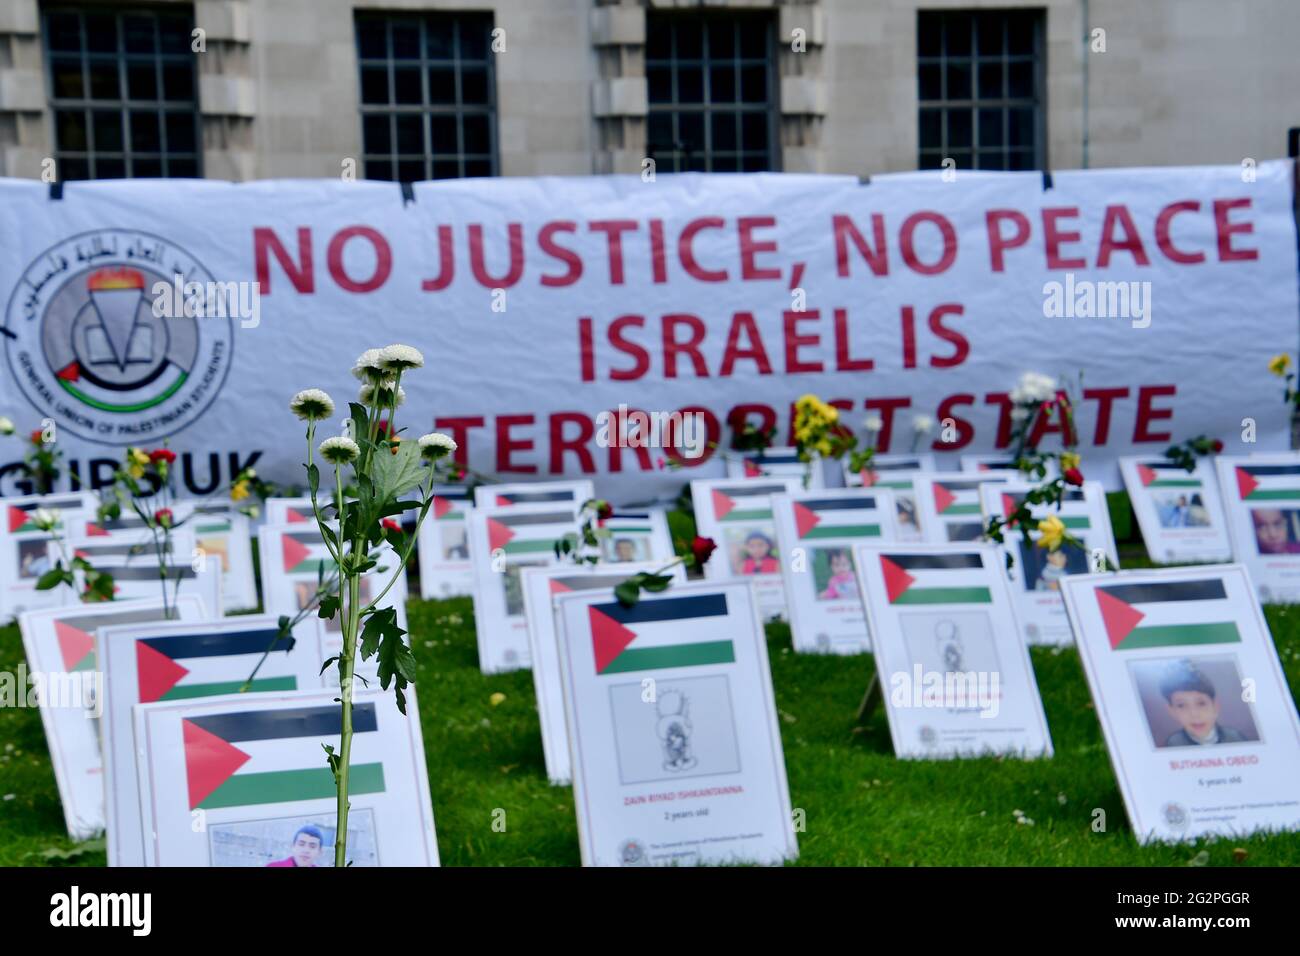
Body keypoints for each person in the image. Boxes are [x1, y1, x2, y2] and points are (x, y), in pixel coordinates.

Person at [1158, 661, 1247, 747]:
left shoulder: (1235, 738)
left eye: (1201, 704)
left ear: (1215, 706)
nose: (1194, 714)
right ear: (1172, 711)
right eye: (1182, 705)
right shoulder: (1174, 744)